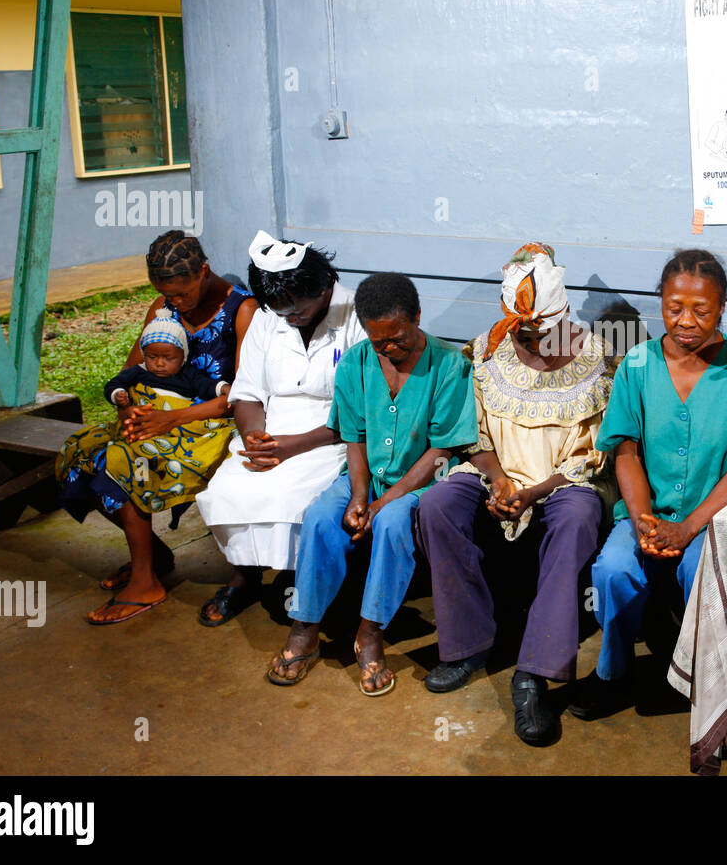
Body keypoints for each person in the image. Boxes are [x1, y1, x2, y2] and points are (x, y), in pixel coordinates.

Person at [416, 243, 617, 746]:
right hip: (495, 469)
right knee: (438, 505)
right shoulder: (487, 348)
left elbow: (591, 456)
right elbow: (473, 431)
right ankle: (468, 643)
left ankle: (534, 672)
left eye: (539, 333)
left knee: (577, 517)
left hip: (561, 480)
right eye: (522, 332)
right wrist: (498, 478)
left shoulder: (594, 356)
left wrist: (533, 492)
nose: (529, 341)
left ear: (563, 318)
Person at [571, 249, 727, 718]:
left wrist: (689, 528)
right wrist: (646, 522)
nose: (686, 321)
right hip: (648, 512)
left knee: (700, 572)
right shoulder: (637, 363)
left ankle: (711, 690)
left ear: (722, 307)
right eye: (674, 308)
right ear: (661, 304)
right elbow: (624, 449)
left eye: (701, 310)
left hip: (713, 518)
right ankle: (614, 672)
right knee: (613, 569)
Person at [265, 272, 476, 695]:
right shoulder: (355, 363)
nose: (391, 348)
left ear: (417, 316)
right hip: (365, 474)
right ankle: (304, 628)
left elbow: (442, 451)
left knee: (394, 523)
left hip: (420, 482)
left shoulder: (451, 365)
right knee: (324, 515)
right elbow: (354, 436)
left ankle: (371, 631)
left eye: (399, 337)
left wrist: (382, 504)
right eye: (380, 342)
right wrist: (360, 496)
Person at [56, 231, 257, 624]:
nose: (176, 303)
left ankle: (146, 580)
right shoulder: (162, 307)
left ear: (204, 271)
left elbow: (243, 396)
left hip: (208, 427)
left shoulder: (242, 310)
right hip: (157, 420)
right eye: (167, 295)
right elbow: (132, 372)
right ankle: (153, 554)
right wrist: (126, 411)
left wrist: (170, 418)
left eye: (183, 293)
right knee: (81, 454)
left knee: (122, 461)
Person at [193, 231, 365, 626]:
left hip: (334, 433)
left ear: (323, 287)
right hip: (271, 429)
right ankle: (246, 573)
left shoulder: (355, 314)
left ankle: (294, 579)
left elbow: (363, 409)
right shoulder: (269, 318)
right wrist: (255, 438)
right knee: (229, 488)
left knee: (291, 494)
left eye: (297, 307)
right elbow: (248, 390)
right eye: (279, 308)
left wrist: (294, 446)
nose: (289, 316)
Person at [103, 311, 231, 409]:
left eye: (168, 358)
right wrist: (117, 394)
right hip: (145, 417)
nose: (159, 363)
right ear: (144, 354)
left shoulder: (188, 374)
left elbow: (207, 386)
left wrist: (223, 388)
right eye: (152, 357)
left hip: (178, 419)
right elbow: (114, 383)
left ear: (183, 357)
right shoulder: (138, 372)